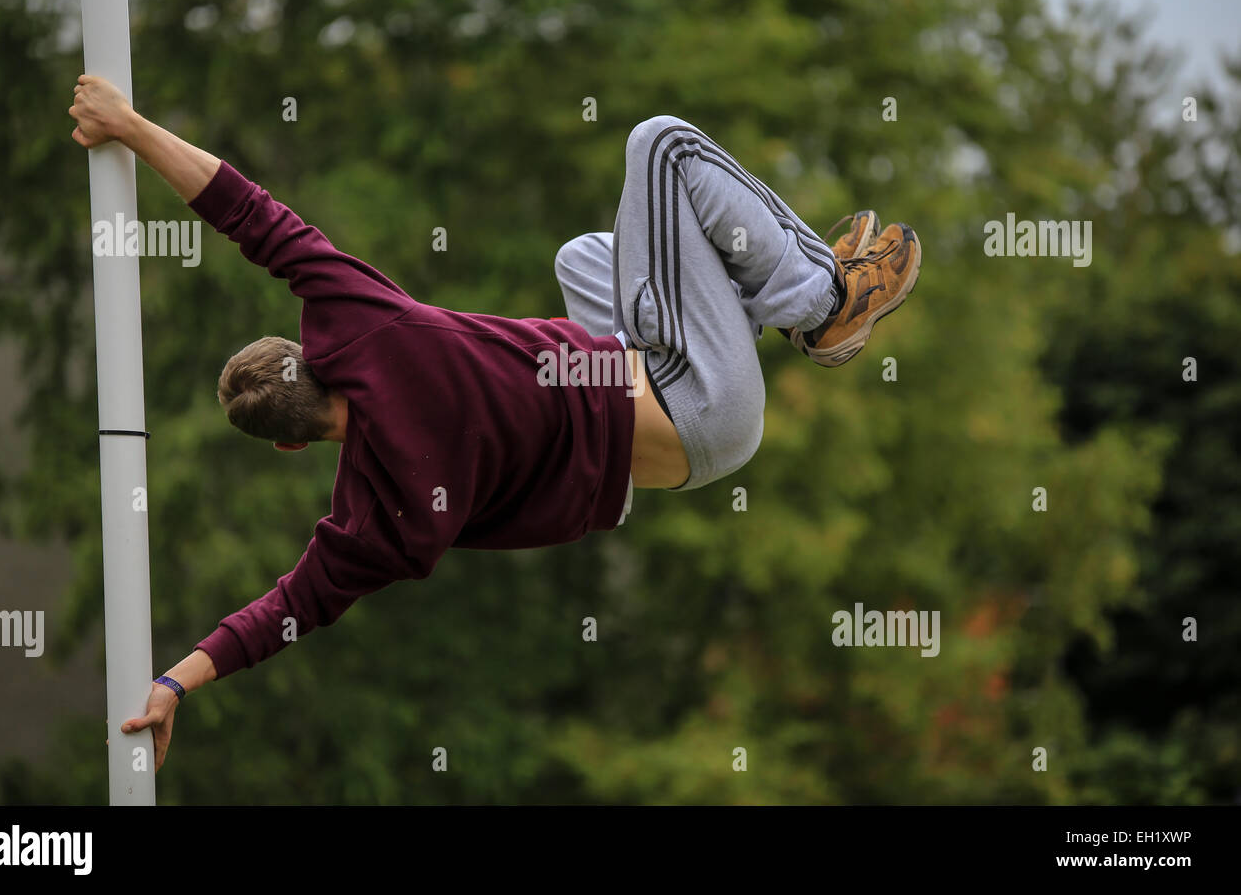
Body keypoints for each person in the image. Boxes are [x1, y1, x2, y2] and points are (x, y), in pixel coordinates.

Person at [68, 74, 920, 770]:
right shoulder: (364, 328)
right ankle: (825, 304)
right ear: (310, 349)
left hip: (683, 434)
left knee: (583, 259)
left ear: (292, 442)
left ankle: (783, 291)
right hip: (693, 392)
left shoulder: (371, 518)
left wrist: (174, 684)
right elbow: (247, 213)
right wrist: (128, 126)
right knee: (660, 144)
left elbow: (289, 608)